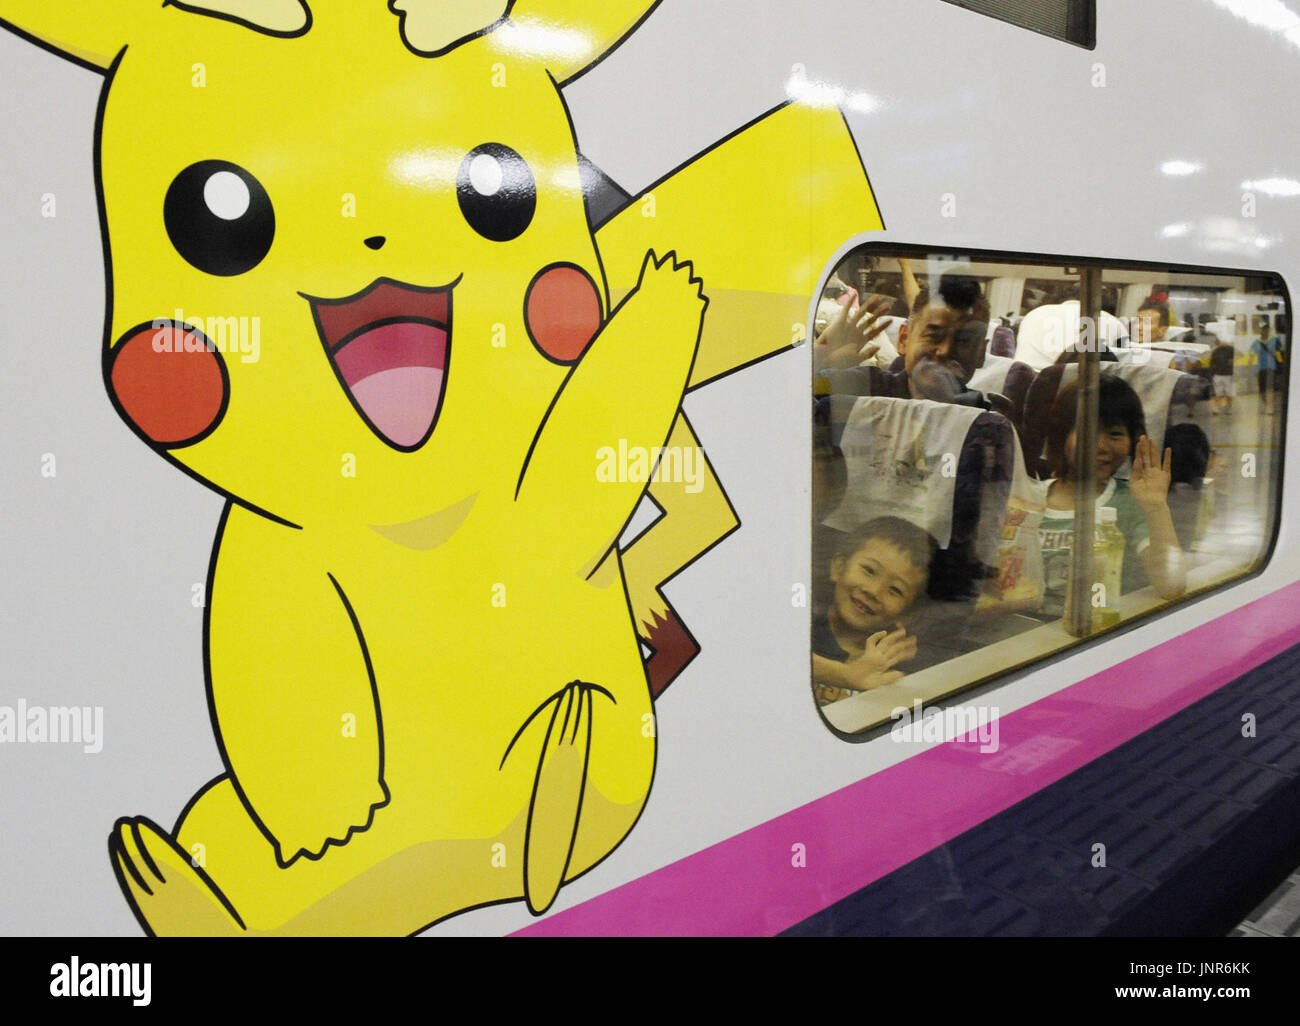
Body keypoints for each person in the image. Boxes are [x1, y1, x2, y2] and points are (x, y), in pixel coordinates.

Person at [1033, 376, 1187, 618]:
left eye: (1115, 434)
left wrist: (1156, 506)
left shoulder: (1130, 503)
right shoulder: (1029, 499)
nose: (1101, 446)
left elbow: (1172, 585)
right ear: (1062, 435)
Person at [812, 517, 937, 705]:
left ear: (909, 615)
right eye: (869, 570)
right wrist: (846, 675)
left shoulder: (897, 668)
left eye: (895, 590)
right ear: (838, 567)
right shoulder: (802, 628)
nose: (873, 591)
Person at [1251, 318, 1284, 415]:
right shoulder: (1256, 342)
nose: (1265, 331)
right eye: (1263, 329)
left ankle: (1270, 408)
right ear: (1260, 331)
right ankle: (1267, 405)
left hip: (1271, 368)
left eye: (1267, 329)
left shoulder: (1275, 340)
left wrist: (1282, 362)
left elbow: (1282, 352)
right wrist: (1250, 367)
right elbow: (1251, 355)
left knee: (1270, 389)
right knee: (1262, 391)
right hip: (1261, 368)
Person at [1209, 337, 1235, 414]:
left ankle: (1228, 408)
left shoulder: (1231, 349)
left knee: (1229, 392)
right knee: (1218, 393)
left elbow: (1240, 355)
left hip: (1228, 374)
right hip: (1218, 374)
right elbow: (1212, 363)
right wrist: (1212, 374)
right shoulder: (1215, 351)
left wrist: (1234, 361)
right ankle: (1216, 408)